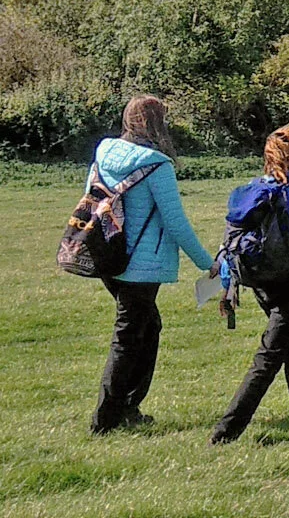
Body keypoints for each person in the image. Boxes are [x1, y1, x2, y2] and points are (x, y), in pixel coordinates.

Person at [90, 96, 216, 435]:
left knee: (148, 328)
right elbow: (175, 223)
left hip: (108, 257)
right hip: (140, 265)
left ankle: (128, 406)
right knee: (129, 336)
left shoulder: (104, 151)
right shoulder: (158, 165)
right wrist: (209, 264)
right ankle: (106, 419)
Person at [210, 123, 289, 444]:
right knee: (268, 357)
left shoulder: (253, 189)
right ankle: (226, 432)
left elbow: (232, 241)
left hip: (262, 283)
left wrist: (227, 285)